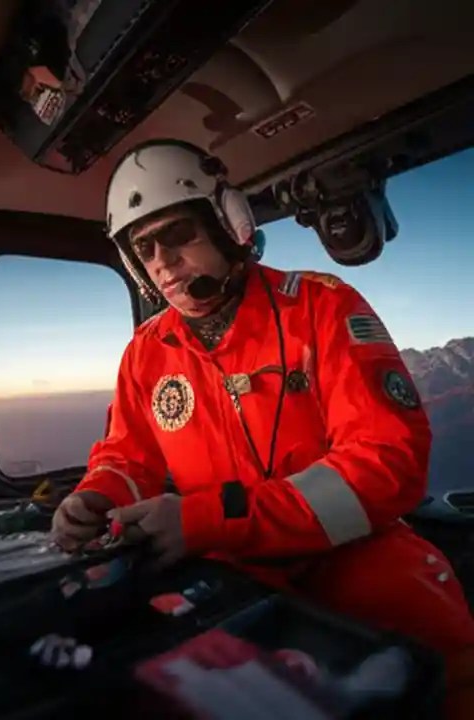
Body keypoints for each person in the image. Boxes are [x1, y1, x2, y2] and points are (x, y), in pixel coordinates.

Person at [51, 139, 474, 716]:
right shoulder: (146, 353)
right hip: (227, 569)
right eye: (144, 248)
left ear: (229, 224)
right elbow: (128, 456)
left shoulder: (321, 307)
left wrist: (211, 519)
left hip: (356, 555)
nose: (162, 261)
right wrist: (97, 496)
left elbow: (388, 463)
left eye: (178, 234)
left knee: (433, 663)